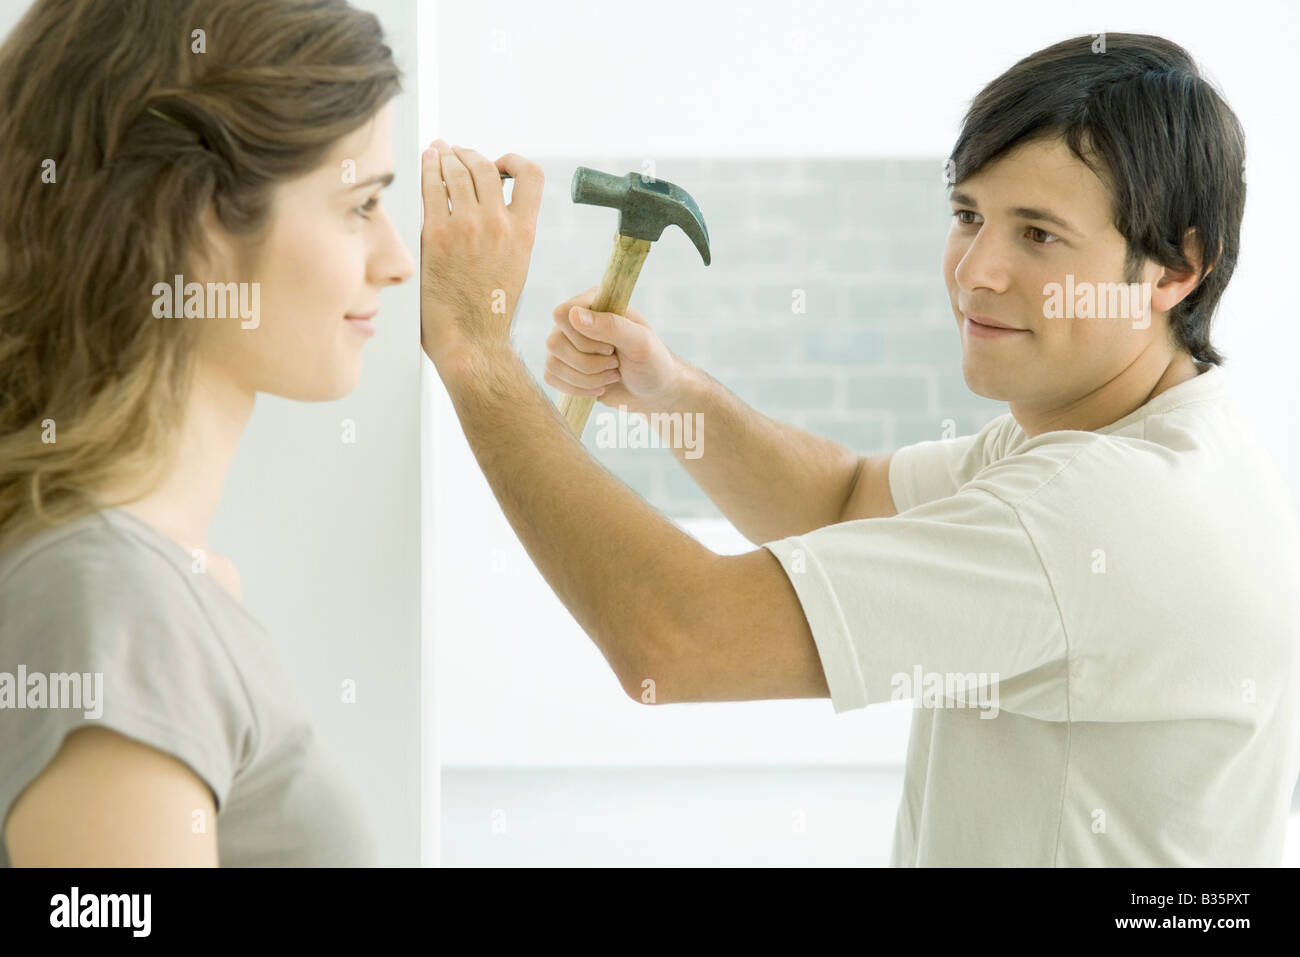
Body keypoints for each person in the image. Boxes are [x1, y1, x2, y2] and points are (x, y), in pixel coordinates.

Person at [421, 34, 1300, 865]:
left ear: (1176, 267)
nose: (974, 271)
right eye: (968, 214)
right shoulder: (1151, 441)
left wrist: (474, 349)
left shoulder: (1096, 509)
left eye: (1038, 234)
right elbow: (841, 498)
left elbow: (674, 639)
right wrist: (667, 389)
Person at [0, 0, 414, 866]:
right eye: (360, 205)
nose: (396, 256)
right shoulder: (110, 604)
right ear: (199, 218)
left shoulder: (142, 585)